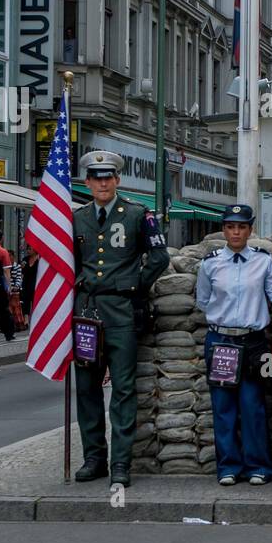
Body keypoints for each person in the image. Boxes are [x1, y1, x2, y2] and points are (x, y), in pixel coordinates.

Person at [72, 151, 170, 487]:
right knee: (86, 387)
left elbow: (159, 257)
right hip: (86, 310)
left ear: (117, 180)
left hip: (122, 310)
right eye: (96, 177)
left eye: (108, 177)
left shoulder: (138, 214)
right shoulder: (76, 217)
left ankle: (121, 464)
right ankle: (93, 458)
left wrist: (134, 285)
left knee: (124, 389)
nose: (102, 183)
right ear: (87, 182)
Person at [195, 204, 272, 486]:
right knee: (223, 407)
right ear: (223, 229)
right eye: (231, 226)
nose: (236, 232)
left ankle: (258, 466)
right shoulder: (210, 263)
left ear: (250, 229)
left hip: (253, 341)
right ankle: (228, 466)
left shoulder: (263, 261)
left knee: (253, 405)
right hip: (220, 339)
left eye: (242, 227)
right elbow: (203, 300)